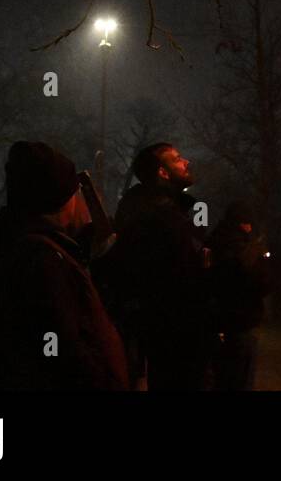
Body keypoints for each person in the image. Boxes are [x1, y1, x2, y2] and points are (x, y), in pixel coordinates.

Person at [0, 141, 128, 391]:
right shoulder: (42, 259)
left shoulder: (5, 242)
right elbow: (63, 347)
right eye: (75, 194)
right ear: (60, 198)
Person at [102, 143, 212, 390]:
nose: (186, 162)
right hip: (174, 335)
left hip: (175, 332)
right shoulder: (157, 214)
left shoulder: (168, 208)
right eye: (177, 159)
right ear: (162, 172)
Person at [208, 201, 270, 390]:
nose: (251, 226)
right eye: (248, 222)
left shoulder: (217, 239)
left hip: (222, 323)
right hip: (239, 324)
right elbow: (260, 283)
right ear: (242, 222)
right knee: (238, 382)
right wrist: (259, 258)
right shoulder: (238, 247)